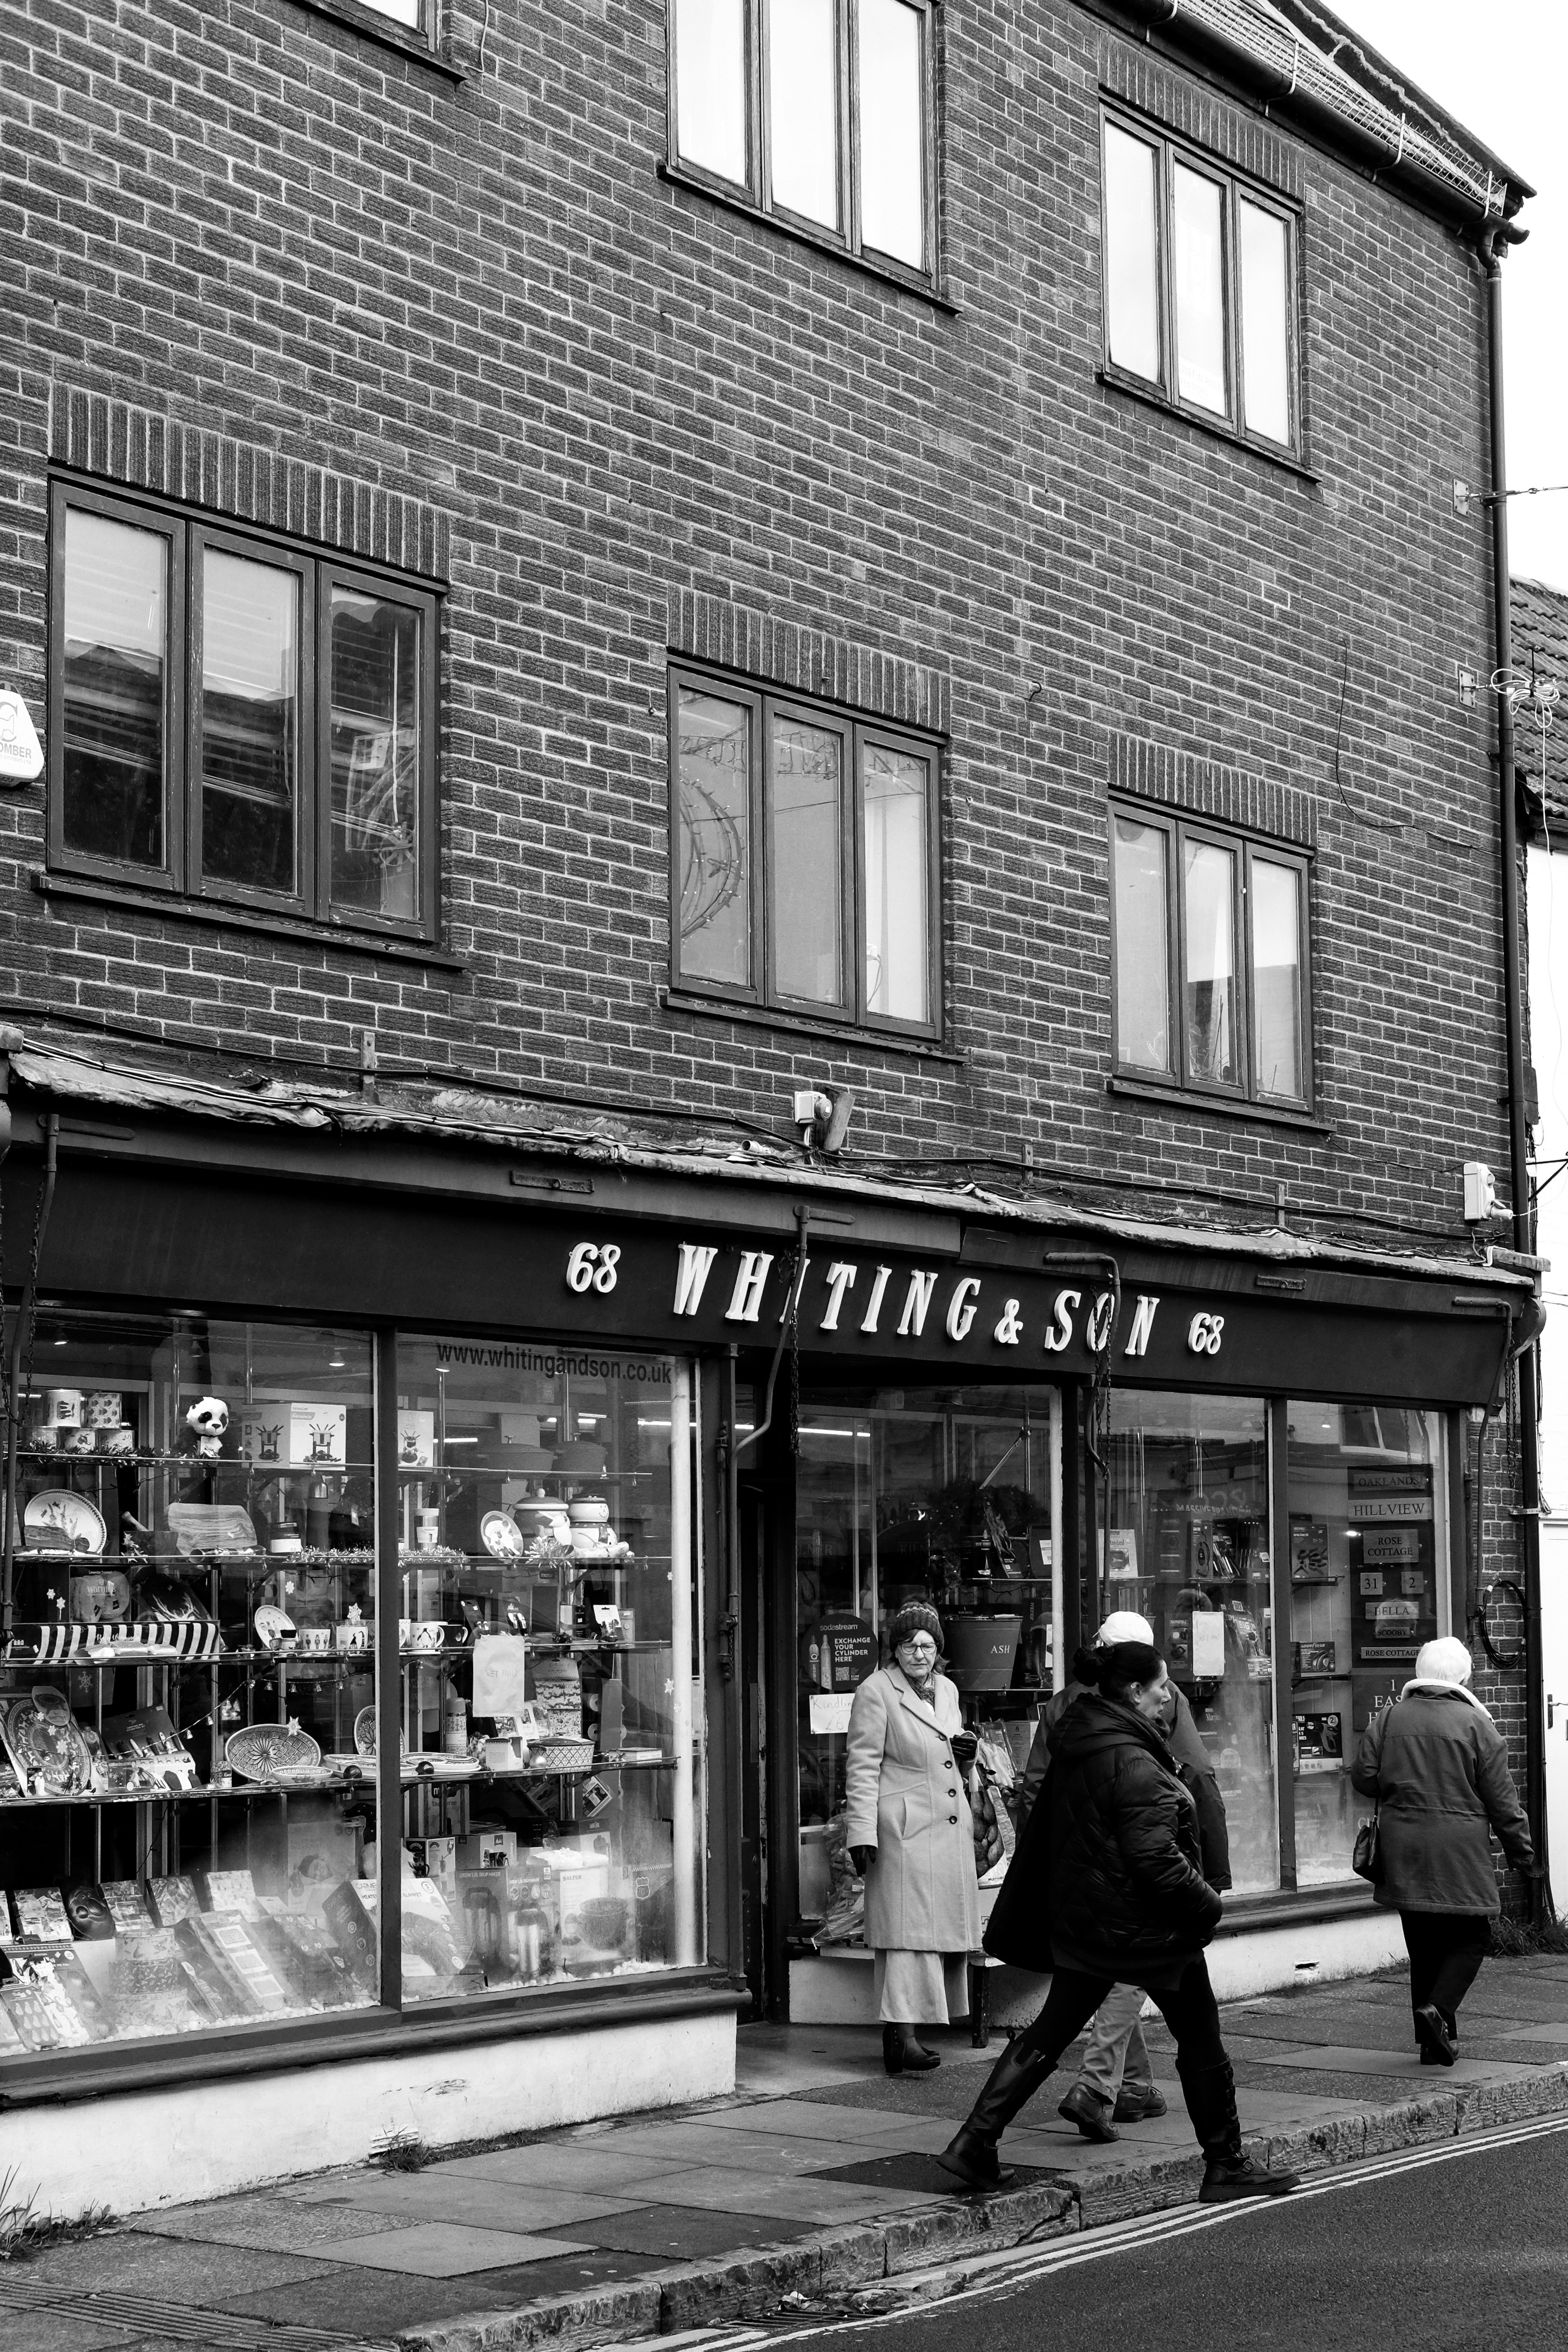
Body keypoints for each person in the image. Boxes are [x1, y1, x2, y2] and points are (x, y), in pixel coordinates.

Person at [937, 1639, 1297, 2204]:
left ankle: (973, 2142)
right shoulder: (1133, 1760)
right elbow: (1155, 1861)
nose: (1166, 1697)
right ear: (1133, 1690)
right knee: (1200, 2039)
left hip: (1090, 1921)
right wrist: (1209, 1904)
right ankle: (1224, 2162)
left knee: (1049, 2031)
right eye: (1160, 1687)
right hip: (1146, 1929)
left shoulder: (1086, 1739)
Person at [1015, 1610, 1230, 2142]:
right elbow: (1194, 1775)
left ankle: (1130, 2083)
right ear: (1138, 1677)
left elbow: (1035, 1786)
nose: (1162, 1689)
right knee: (1130, 1973)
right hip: (1141, 1863)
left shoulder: (1065, 1702)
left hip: (1078, 1865)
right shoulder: (1156, 1701)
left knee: (1111, 1974)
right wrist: (1212, 1868)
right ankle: (1096, 2088)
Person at [1350, 1634, 1536, 2066]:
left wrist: (1400, 1787)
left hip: (1403, 1845)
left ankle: (1432, 2042)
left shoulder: (1390, 1718)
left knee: (1424, 1944)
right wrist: (1523, 1855)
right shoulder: (1477, 1726)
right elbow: (1502, 1803)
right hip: (1458, 1850)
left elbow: (1363, 1778)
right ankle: (1439, 2010)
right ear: (1462, 1677)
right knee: (1472, 1937)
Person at [845, 1601, 981, 2075]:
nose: (918, 1654)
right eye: (909, 1645)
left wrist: (967, 1752)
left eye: (926, 1645)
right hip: (902, 1828)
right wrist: (860, 1832)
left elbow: (949, 1751)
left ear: (937, 1650)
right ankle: (902, 2036)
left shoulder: (946, 1688)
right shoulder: (875, 1691)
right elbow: (862, 1767)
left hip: (945, 1824)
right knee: (906, 1936)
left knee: (931, 1932)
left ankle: (903, 2036)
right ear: (895, 1650)